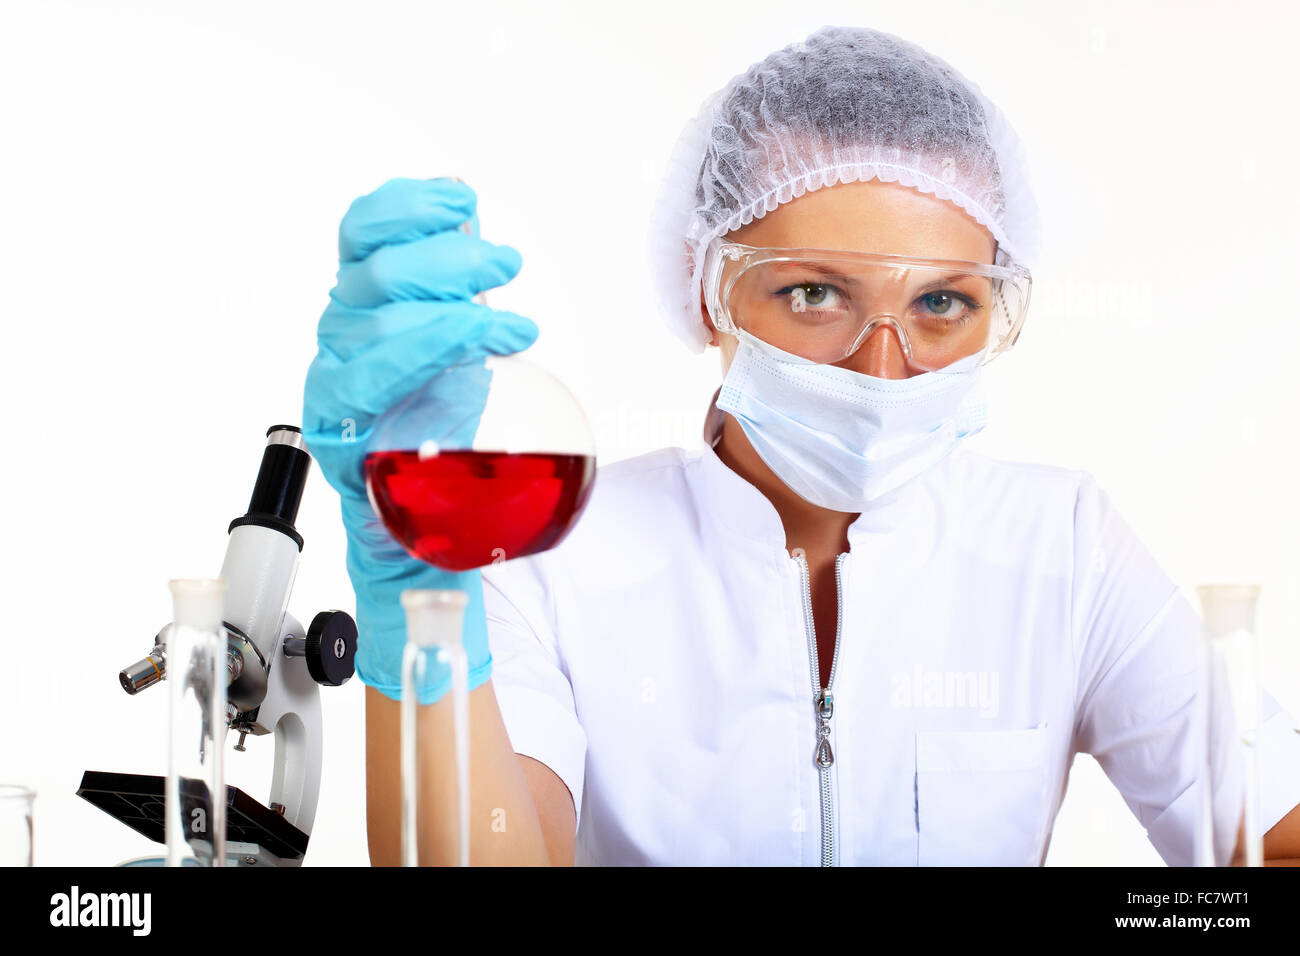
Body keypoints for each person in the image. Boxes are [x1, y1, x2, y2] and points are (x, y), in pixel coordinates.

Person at [302, 25, 1300, 865]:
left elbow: (1271, 829)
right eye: (813, 292)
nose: (880, 366)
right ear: (706, 290)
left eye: (943, 302)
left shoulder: (1060, 545)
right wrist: (422, 607)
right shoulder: (556, 556)